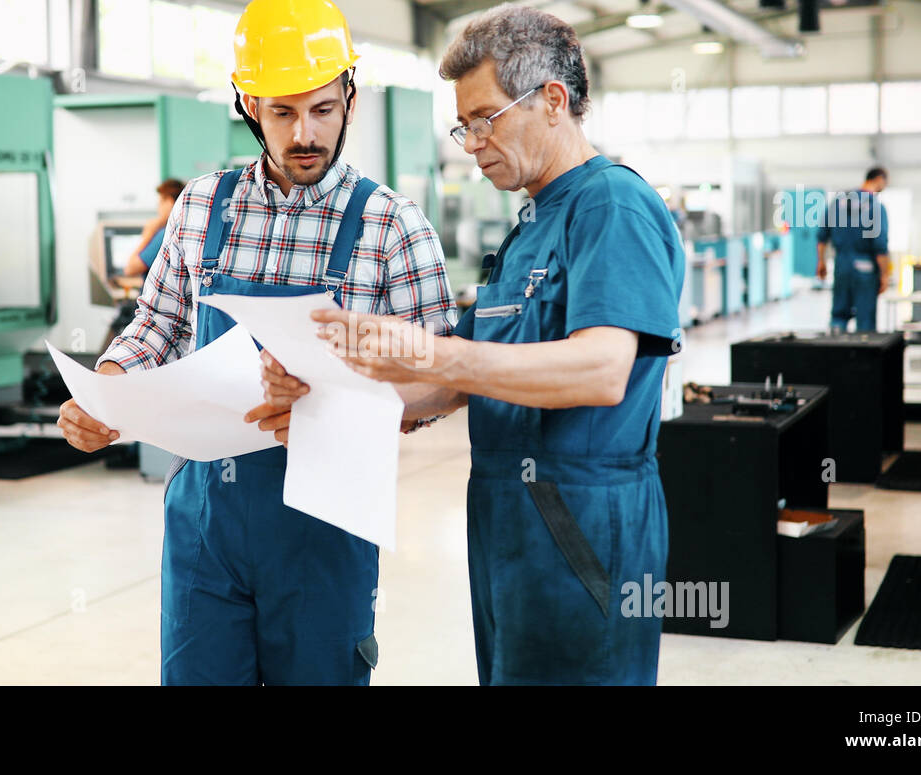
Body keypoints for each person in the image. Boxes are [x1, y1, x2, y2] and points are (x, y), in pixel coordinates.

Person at [256, 5, 683, 685]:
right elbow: (461, 383)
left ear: (552, 101)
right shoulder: (529, 228)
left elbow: (603, 369)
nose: (471, 141)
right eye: (464, 125)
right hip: (506, 516)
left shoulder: (611, 206)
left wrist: (429, 351)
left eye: (485, 118)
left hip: (583, 524)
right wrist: (334, 401)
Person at [57, 0, 455, 685]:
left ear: (350, 99)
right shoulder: (203, 205)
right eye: (282, 112)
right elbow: (155, 324)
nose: (305, 133)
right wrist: (107, 387)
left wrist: (345, 403)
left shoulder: (392, 225)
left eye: (323, 110)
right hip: (206, 526)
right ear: (248, 104)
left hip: (325, 529)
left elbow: (445, 376)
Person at [816, 167, 890, 332]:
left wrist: (821, 262)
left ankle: (835, 354)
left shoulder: (838, 202)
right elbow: (880, 245)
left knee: (839, 315)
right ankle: (863, 356)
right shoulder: (875, 207)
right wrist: (885, 274)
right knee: (865, 320)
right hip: (866, 269)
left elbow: (822, 236)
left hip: (841, 265)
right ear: (879, 180)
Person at [123, 178, 187, 278]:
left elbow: (130, 269)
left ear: (169, 202)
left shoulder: (165, 234)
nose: (158, 208)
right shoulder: (183, 229)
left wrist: (148, 234)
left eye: (160, 203)